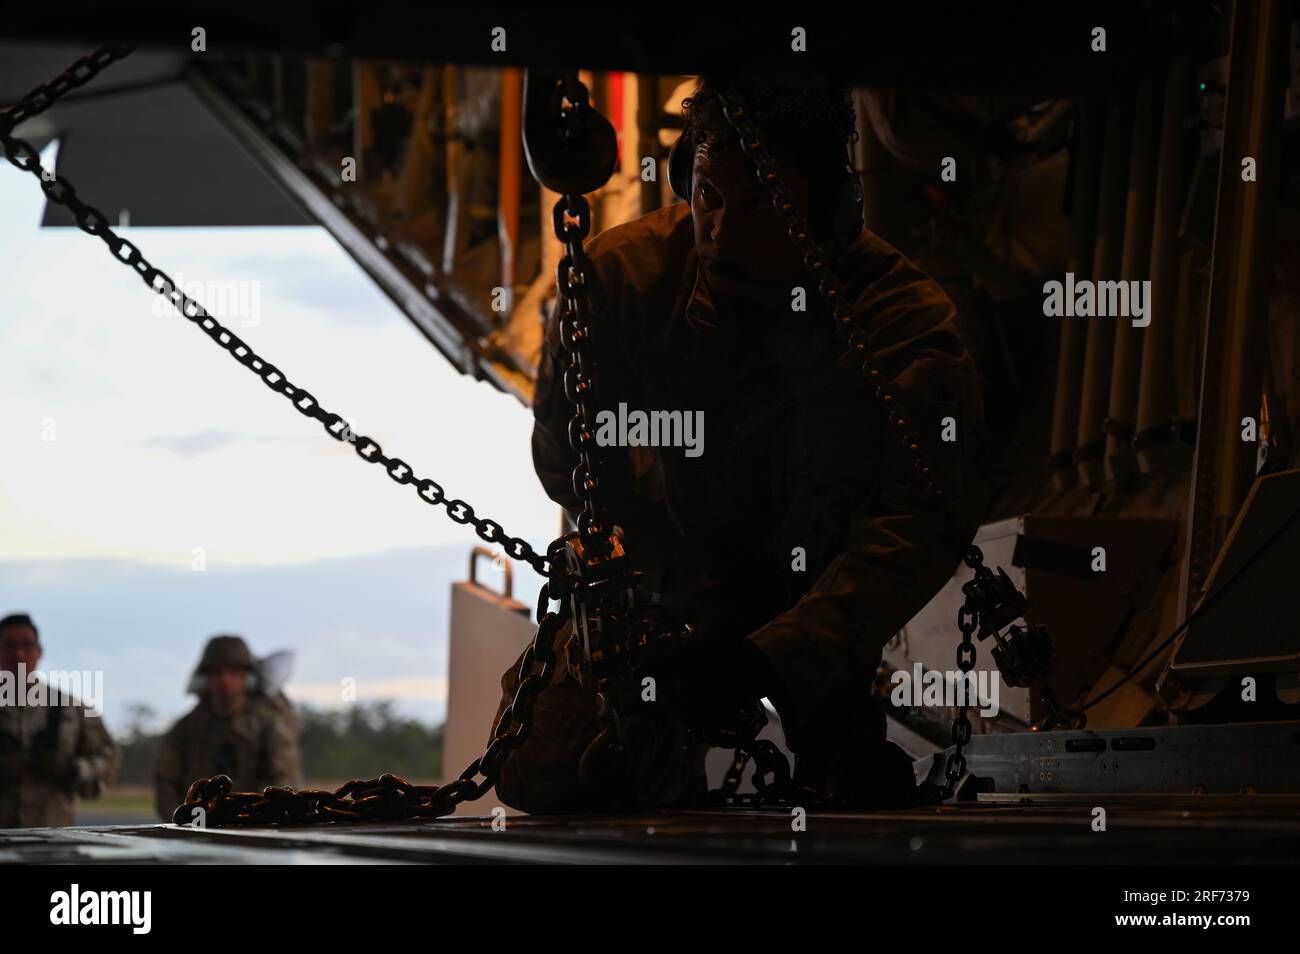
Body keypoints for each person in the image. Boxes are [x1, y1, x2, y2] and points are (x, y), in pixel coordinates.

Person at [490, 75, 994, 813]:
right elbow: (571, 463)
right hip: (656, 592)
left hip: (811, 599)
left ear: (820, 209)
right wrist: (651, 597)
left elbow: (919, 519)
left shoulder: (901, 322)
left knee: (852, 797)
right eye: (708, 196)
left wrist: (777, 652)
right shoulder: (618, 282)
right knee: (546, 768)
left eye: (758, 206)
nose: (721, 229)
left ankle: (835, 737)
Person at [154, 634, 302, 821]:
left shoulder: (268, 727)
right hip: (197, 830)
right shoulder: (186, 729)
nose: (225, 680)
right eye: (217, 673)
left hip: (255, 830)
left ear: (246, 677)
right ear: (206, 677)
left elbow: (285, 783)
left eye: (233, 672)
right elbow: (165, 782)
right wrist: (185, 822)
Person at [0, 613, 118, 827]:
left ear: (39, 651)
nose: (18, 654)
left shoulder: (70, 708)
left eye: (26, 645)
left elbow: (107, 757)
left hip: (53, 836)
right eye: (9, 645)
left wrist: (74, 770)